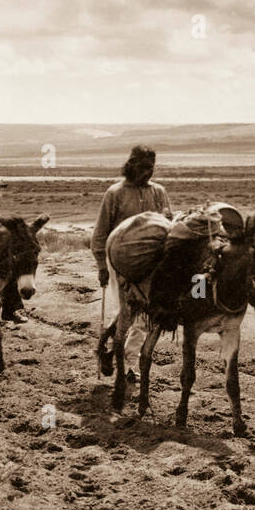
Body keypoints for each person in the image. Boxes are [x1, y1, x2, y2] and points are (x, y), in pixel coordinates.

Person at [93, 146, 172, 368]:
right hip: (120, 263)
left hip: (152, 264)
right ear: (131, 166)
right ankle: (109, 350)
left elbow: (168, 226)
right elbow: (100, 233)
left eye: (151, 168)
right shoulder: (115, 193)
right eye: (143, 167)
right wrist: (101, 265)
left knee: (144, 316)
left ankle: (128, 361)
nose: (148, 172)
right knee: (127, 311)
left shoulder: (158, 192)